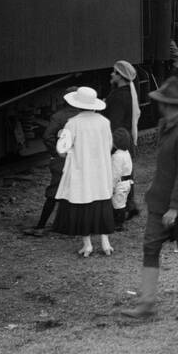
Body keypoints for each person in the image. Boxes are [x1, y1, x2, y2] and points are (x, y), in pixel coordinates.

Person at [123, 78, 178, 320]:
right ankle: (147, 304)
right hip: (160, 202)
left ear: (167, 105)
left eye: (159, 102)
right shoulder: (164, 126)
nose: (157, 105)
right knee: (150, 247)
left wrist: (175, 208)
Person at [52, 86, 116, 258]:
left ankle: (87, 245)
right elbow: (109, 145)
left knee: (83, 204)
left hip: (81, 170)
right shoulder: (104, 122)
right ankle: (105, 243)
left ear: (77, 105)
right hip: (101, 170)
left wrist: (65, 141)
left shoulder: (73, 123)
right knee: (101, 203)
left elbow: (61, 150)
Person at [23, 98, 74, 238]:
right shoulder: (89, 116)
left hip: (63, 159)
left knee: (54, 192)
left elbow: (48, 137)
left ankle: (41, 226)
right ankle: (72, 226)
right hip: (81, 160)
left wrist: (56, 153)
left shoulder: (59, 116)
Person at [106, 60, 140, 151]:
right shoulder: (130, 93)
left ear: (120, 76)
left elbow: (115, 123)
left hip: (118, 144)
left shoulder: (118, 97)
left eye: (114, 72)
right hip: (126, 140)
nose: (111, 74)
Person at [111, 128, 135, 232]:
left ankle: (118, 224)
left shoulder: (116, 156)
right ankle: (119, 222)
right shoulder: (126, 153)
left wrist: (111, 186)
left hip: (120, 183)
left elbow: (115, 173)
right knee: (122, 202)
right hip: (127, 183)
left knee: (117, 204)